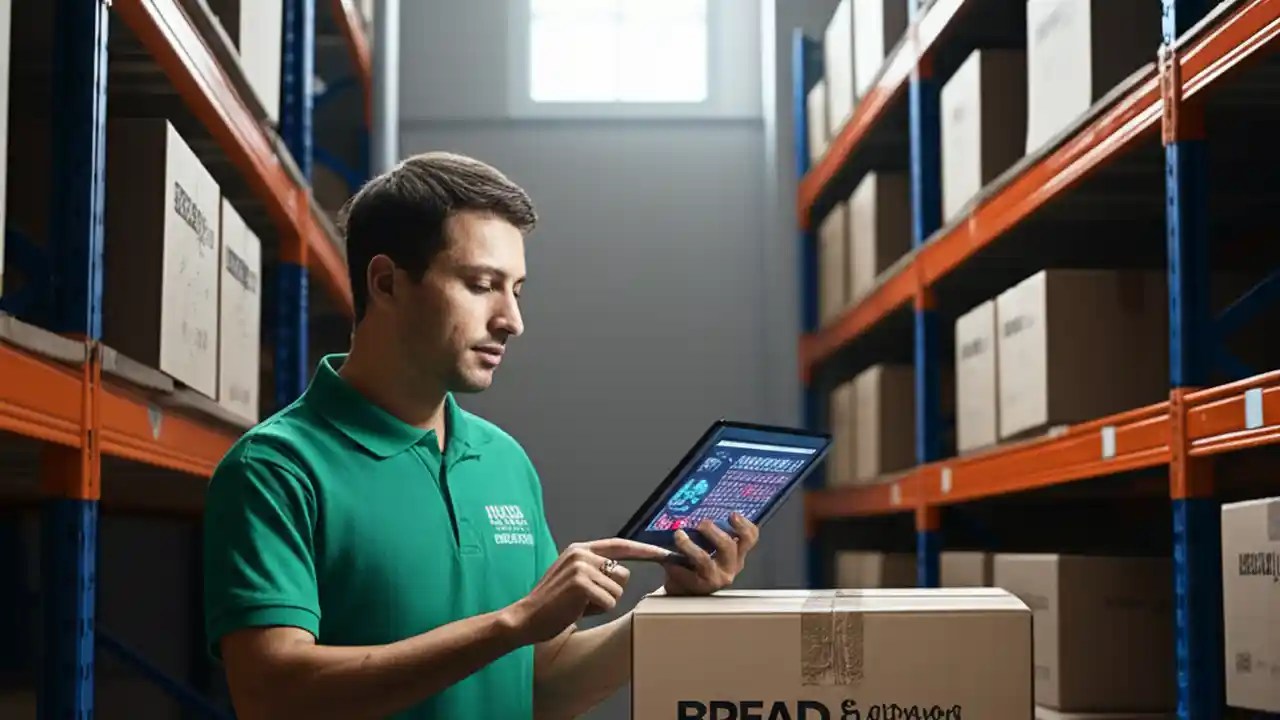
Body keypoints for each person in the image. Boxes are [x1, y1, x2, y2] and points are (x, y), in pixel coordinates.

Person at [202, 151, 761, 720]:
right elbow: (271, 695)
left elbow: (543, 684)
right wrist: (512, 623)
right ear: (387, 282)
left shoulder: (503, 460)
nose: (511, 320)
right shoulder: (275, 468)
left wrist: (668, 606)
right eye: (481, 284)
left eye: (516, 289)